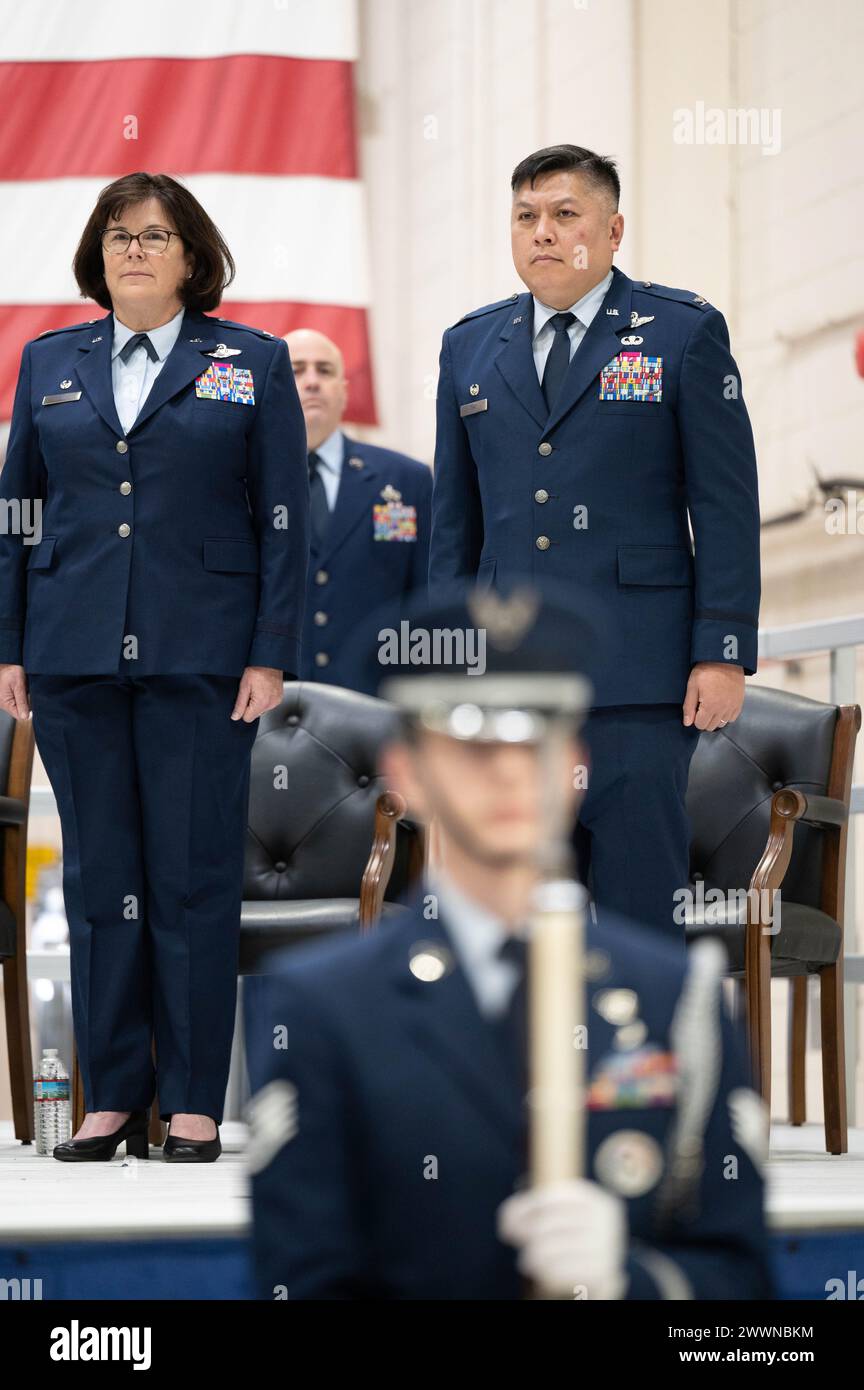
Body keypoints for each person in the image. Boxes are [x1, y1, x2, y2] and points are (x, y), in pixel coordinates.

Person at [245, 585, 772, 1299]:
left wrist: (635, 1285)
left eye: (537, 737)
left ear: (573, 764)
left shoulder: (676, 997)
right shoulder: (324, 1007)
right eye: (472, 743)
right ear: (409, 775)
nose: (508, 769)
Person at [0, 171, 309, 1162]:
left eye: (157, 234)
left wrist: (270, 650)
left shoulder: (248, 362)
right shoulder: (49, 362)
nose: (135, 248)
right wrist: (10, 644)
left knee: (191, 877)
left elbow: (283, 522)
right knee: (102, 879)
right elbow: (18, 516)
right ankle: (109, 1095)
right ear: (97, 254)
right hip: (73, 652)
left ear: (193, 257)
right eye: (119, 234)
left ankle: (189, 1102)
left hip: (205, 656)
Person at [428, 144, 761, 937]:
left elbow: (724, 503)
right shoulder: (468, 346)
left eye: (564, 214)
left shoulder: (682, 332)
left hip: (638, 678)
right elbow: (454, 524)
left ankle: (640, 1064)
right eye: (526, 216)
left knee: (637, 907)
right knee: (519, 915)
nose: (542, 232)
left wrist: (721, 648)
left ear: (612, 231)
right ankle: (538, 1065)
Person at [286, 329, 432, 692]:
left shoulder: (405, 480)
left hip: (378, 700)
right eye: (297, 370)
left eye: (325, 370)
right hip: (269, 706)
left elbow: (428, 596)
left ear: (345, 390)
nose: (312, 382)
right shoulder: (240, 479)